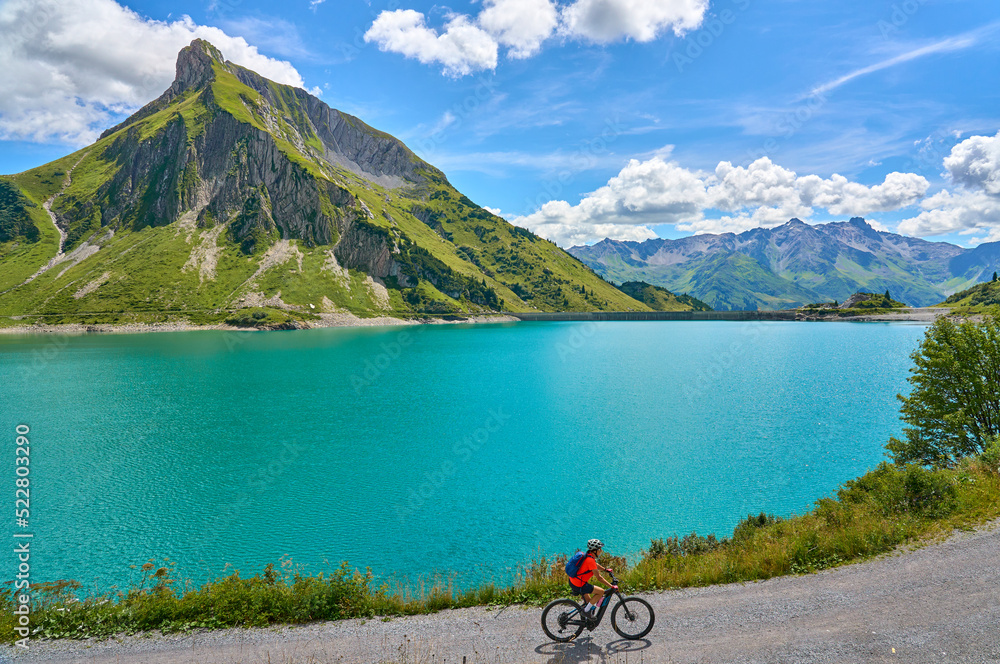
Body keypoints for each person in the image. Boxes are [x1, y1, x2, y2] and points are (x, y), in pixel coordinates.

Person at [568, 538, 615, 616]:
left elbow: (595, 565)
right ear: (594, 551)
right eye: (599, 549)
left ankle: (586, 618)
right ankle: (586, 611)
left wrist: (605, 569)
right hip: (579, 584)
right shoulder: (590, 560)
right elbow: (599, 578)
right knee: (601, 591)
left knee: (589, 603)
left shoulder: (588, 556)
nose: (601, 551)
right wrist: (612, 586)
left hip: (573, 581)